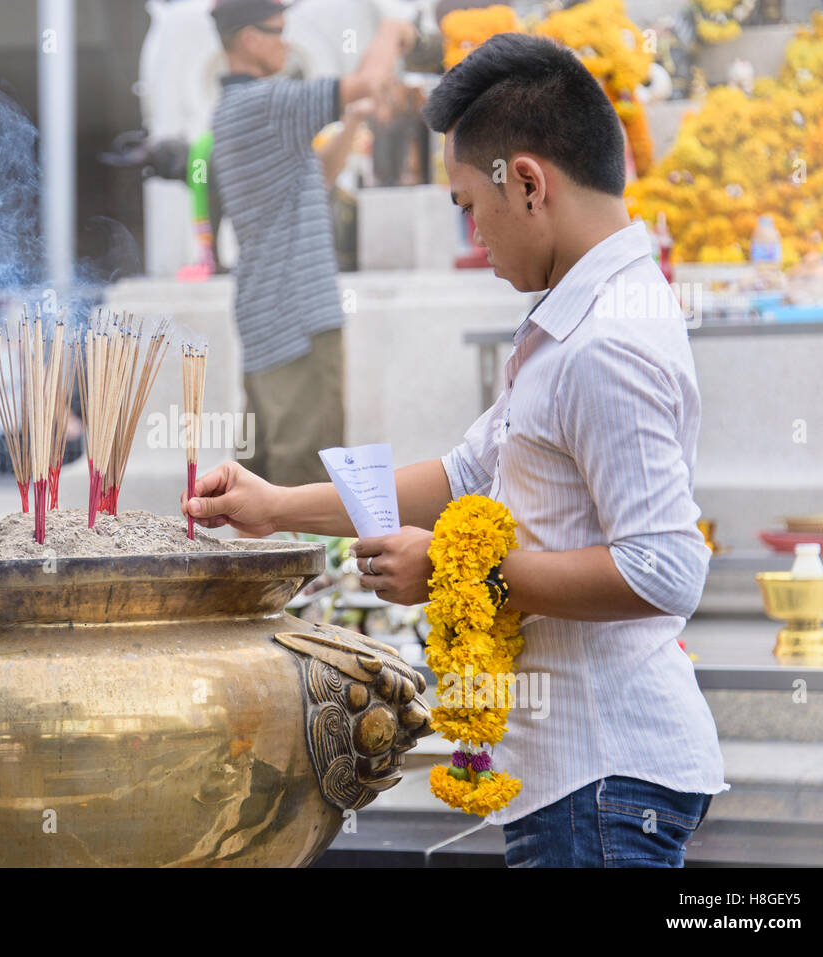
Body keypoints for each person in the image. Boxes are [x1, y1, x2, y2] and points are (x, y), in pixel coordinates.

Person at [183, 33, 726, 868]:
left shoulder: (608, 341)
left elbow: (664, 568)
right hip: (581, 778)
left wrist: (455, 569)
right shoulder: (574, 318)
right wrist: (275, 507)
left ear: (530, 183)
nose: (472, 230)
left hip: (605, 780)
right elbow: (463, 474)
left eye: (469, 203)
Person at [209, 0, 416, 487]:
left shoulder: (236, 111)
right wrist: (391, 28)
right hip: (298, 317)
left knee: (258, 481)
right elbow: (365, 81)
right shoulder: (269, 103)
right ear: (249, 38)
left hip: (266, 314)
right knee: (310, 480)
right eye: (278, 30)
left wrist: (353, 125)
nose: (286, 40)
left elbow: (315, 179)